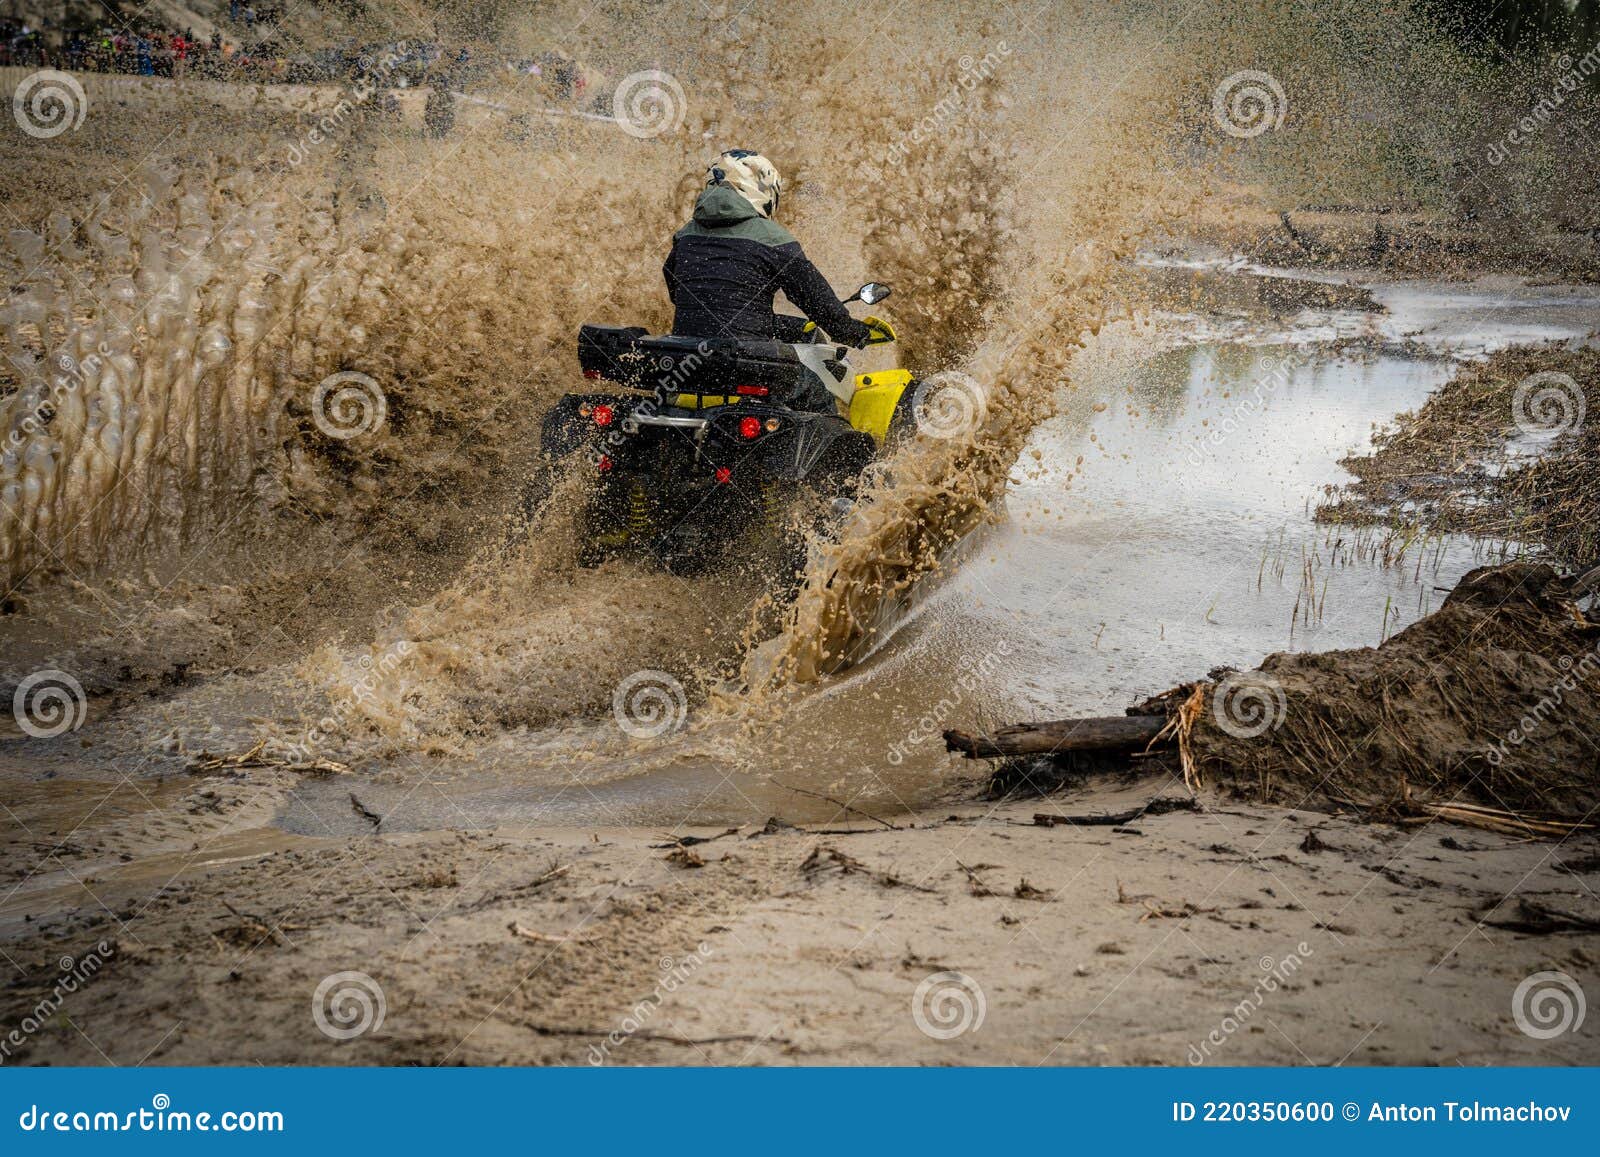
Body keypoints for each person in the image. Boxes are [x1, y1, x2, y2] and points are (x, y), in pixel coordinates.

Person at [661, 152, 893, 397]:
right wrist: (852, 332)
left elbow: (678, 292)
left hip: (687, 361)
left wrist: (757, 318)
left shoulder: (685, 236)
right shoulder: (773, 239)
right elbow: (815, 300)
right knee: (817, 392)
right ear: (762, 190)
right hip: (745, 363)